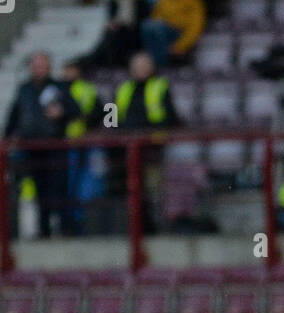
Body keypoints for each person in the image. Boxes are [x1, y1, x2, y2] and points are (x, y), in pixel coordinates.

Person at [4, 52, 79, 238]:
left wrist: (61, 112)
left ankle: (65, 229)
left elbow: (76, 110)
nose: (39, 68)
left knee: (60, 189)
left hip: (55, 147)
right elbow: (14, 116)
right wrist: (6, 137)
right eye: (36, 65)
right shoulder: (24, 89)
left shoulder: (60, 87)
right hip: (31, 148)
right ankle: (44, 230)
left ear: (49, 66)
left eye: (43, 64)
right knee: (40, 191)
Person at [114, 52, 183, 233]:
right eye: (138, 66)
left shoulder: (161, 86)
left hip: (153, 149)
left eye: (145, 65)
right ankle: (136, 229)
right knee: (133, 191)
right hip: (128, 151)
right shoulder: (123, 88)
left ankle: (156, 229)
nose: (141, 69)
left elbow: (172, 117)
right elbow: (110, 118)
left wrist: (147, 129)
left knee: (153, 191)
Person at [60, 59, 100, 237]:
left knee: (84, 187)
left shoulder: (88, 89)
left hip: (84, 144)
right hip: (63, 144)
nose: (68, 74)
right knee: (67, 186)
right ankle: (69, 224)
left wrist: (87, 121)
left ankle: (81, 224)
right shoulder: (58, 89)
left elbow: (103, 112)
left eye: (71, 69)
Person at [139, 0, 206, 69]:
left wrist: (181, 46)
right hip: (163, 29)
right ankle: (149, 63)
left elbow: (195, 27)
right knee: (146, 26)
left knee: (157, 29)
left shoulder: (193, 2)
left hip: (179, 34)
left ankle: (162, 65)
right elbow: (156, 15)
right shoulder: (165, 1)